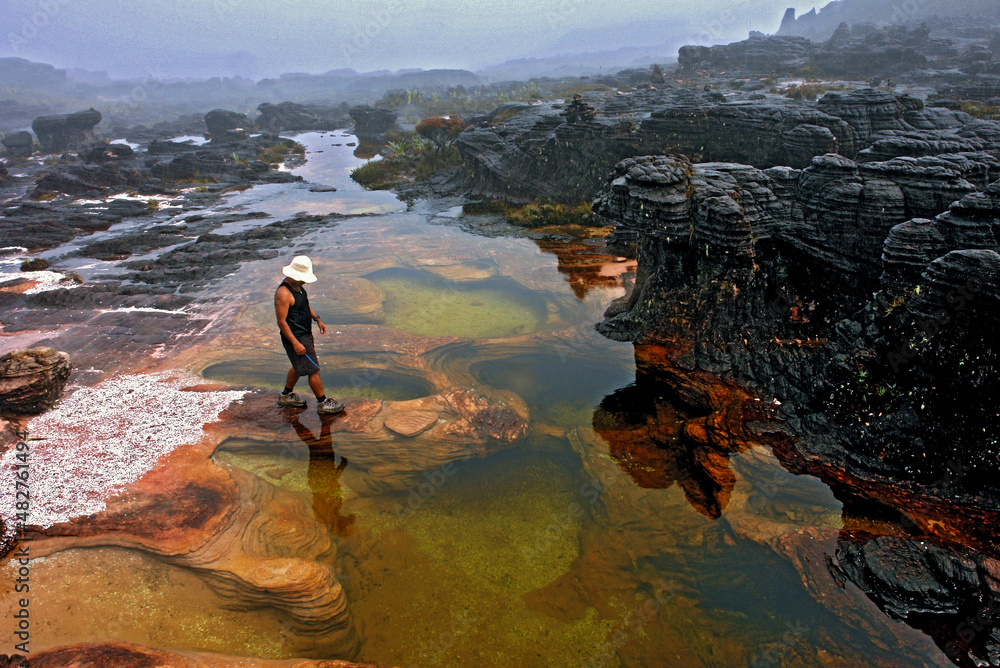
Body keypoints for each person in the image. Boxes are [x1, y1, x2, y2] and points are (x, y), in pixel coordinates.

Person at [274, 255, 344, 414]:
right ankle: (323, 403)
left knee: (298, 366)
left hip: (304, 334)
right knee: (314, 369)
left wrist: (316, 318)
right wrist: (295, 343)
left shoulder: (297, 287)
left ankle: (285, 396)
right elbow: (282, 322)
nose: (304, 281)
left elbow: (304, 304)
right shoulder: (283, 293)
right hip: (296, 337)